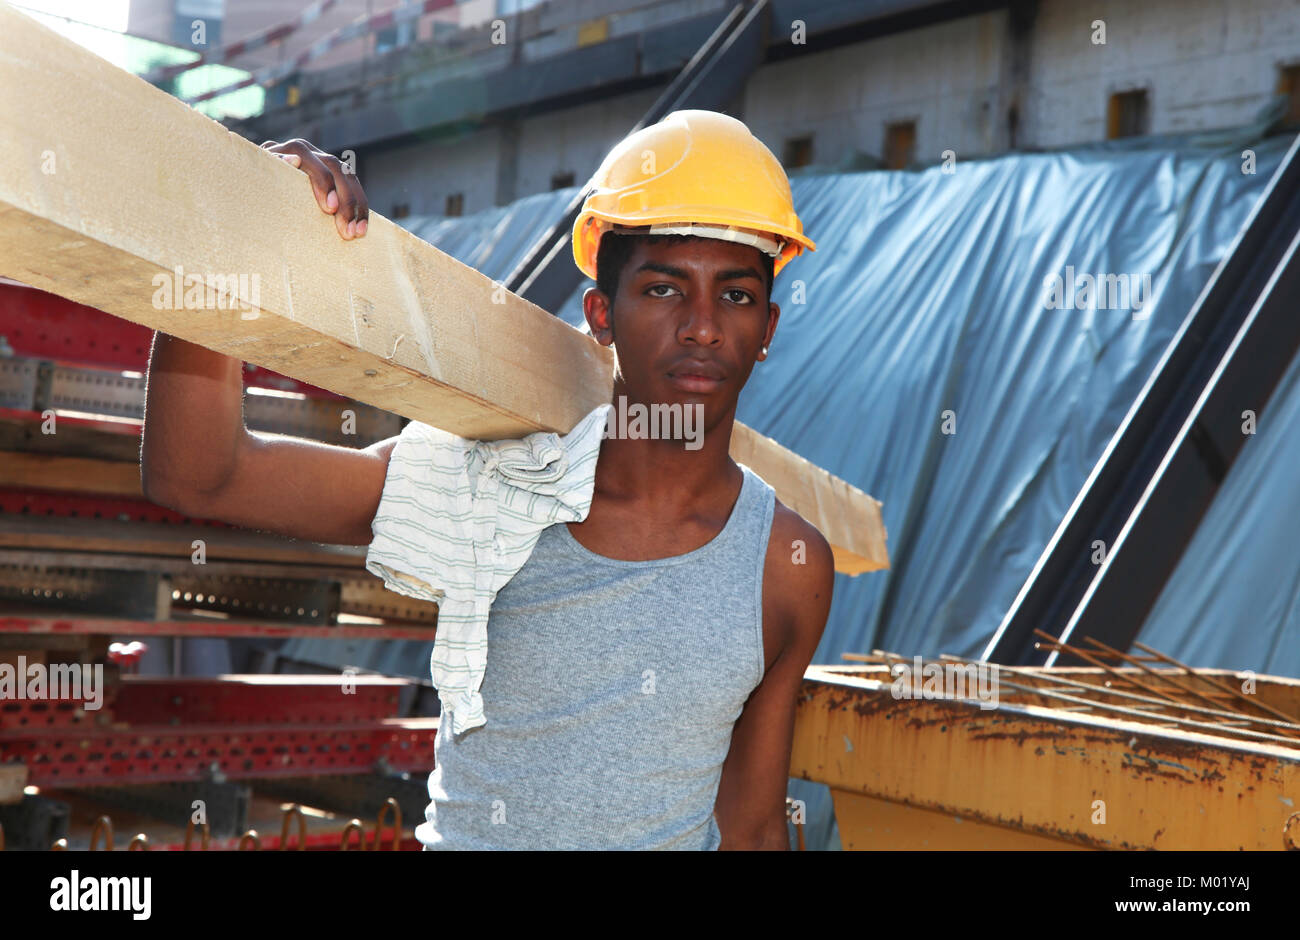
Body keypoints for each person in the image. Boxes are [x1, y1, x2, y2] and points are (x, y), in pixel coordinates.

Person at [141, 110, 834, 850]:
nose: (702, 325)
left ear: (767, 328)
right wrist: (227, 231)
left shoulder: (786, 566)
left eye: (734, 295)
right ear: (602, 314)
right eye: (664, 289)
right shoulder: (496, 485)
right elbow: (203, 475)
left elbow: (756, 826)